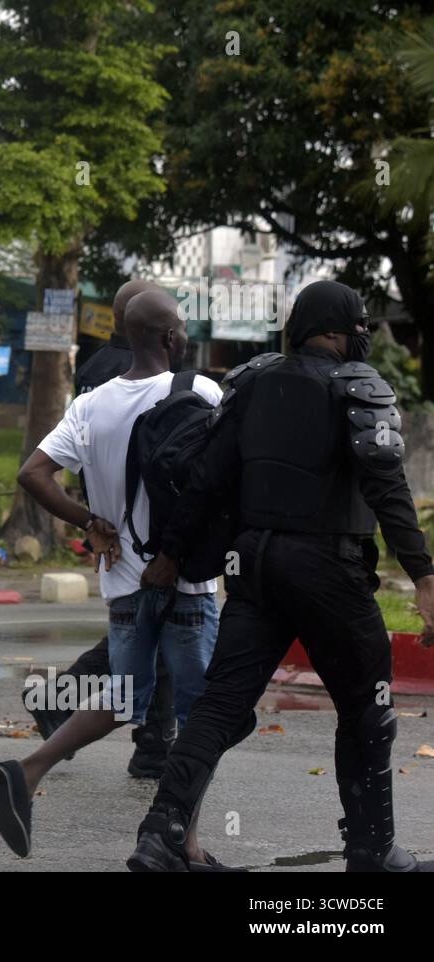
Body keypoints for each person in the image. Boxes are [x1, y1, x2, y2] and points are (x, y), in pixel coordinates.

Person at [129, 280, 434, 873]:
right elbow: (387, 488)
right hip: (328, 570)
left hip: (253, 567)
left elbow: (207, 481)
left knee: (218, 706)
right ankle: (373, 850)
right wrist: (423, 577)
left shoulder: (250, 382)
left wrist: (170, 555)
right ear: (337, 331)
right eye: (358, 328)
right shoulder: (358, 387)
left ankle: (160, 835)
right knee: (369, 709)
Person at [0, 290, 224, 867]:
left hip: (123, 583)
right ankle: (185, 842)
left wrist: (91, 520)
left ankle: (30, 768)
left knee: (126, 699)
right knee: (202, 718)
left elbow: (33, 473)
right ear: (169, 338)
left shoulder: (91, 404)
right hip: (185, 585)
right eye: (181, 327)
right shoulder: (201, 392)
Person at [28, 278, 179, 778]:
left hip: (106, 522)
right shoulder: (155, 378)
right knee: (149, 632)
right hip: (142, 527)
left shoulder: (94, 370)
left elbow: (61, 461)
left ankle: (149, 743)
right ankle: (147, 742)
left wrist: (90, 518)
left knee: (144, 633)